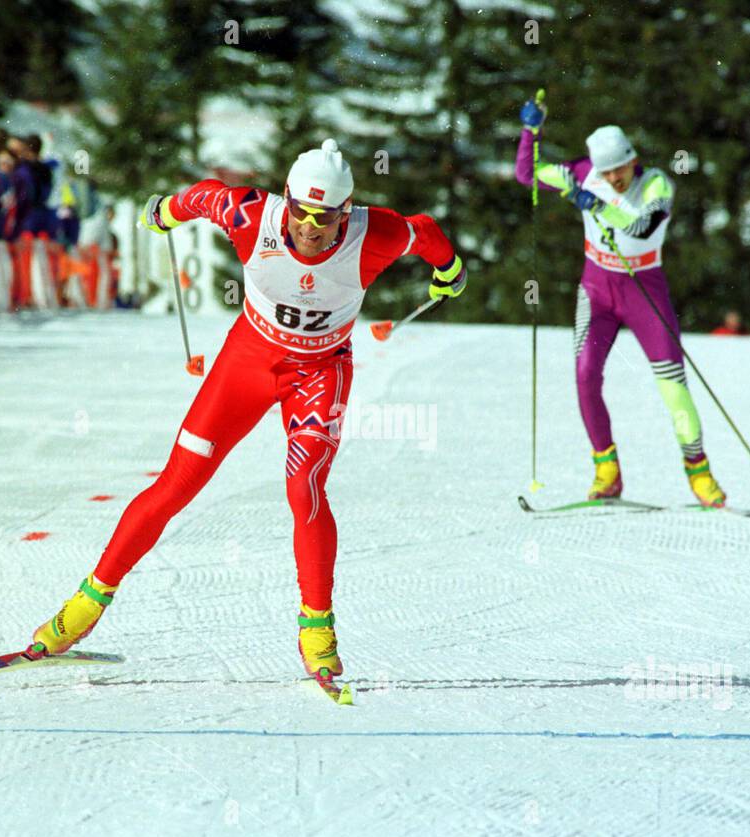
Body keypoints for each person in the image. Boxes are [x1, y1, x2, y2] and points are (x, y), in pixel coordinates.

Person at [29, 139, 467, 682]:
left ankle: (316, 626)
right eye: (302, 212)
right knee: (178, 482)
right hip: (248, 362)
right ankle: (88, 603)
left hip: (319, 370)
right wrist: (166, 211)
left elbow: (425, 230)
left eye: (325, 217)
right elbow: (205, 197)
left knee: (303, 484)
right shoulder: (252, 215)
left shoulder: (372, 233)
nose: (311, 227)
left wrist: (449, 270)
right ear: (287, 200)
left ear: (345, 212)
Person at [515, 97, 726, 507]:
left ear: (634, 160)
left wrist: (598, 206)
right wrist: (531, 132)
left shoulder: (657, 185)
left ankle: (698, 472)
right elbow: (527, 174)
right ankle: (606, 470)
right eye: (606, 171)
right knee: (585, 374)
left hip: (644, 292)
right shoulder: (580, 174)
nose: (613, 178)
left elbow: (644, 228)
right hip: (596, 290)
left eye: (620, 168)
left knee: (673, 387)